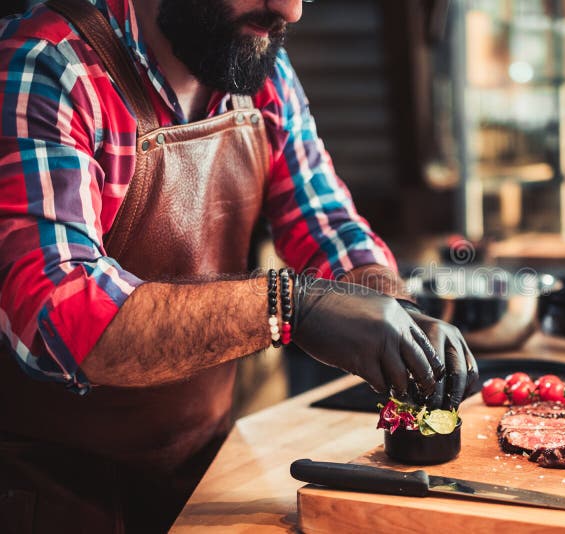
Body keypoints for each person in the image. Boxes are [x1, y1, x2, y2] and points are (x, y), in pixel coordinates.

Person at [0, 0, 478, 532]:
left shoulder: (249, 56)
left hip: (204, 476)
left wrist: (393, 308)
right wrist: (288, 305)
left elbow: (329, 226)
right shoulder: (46, 64)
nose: (291, 12)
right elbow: (59, 318)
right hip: (57, 498)